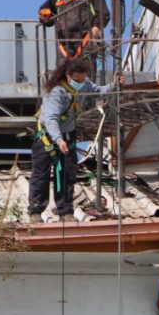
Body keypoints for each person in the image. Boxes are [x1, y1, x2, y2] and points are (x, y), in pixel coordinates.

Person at [27, 58, 121, 224]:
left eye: (83, 79)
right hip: (47, 137)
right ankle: (36, 211)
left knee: (67, 174)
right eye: (77, 80)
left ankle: (65, 211)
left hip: (68, 135)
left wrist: (114, 84)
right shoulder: (56, 92)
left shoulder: (84, 83)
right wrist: (58, 139)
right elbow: (51, 119)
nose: (80, 83)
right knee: (41, 175)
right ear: (68, 76)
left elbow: (98, 91)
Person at [37, 0, 110, 69]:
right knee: (63, 76)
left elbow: (103, 13)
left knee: (85, 75)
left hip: (86, 41)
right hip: (65, 46)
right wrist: (43, 17)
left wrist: (96, 28)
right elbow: (46, 15)